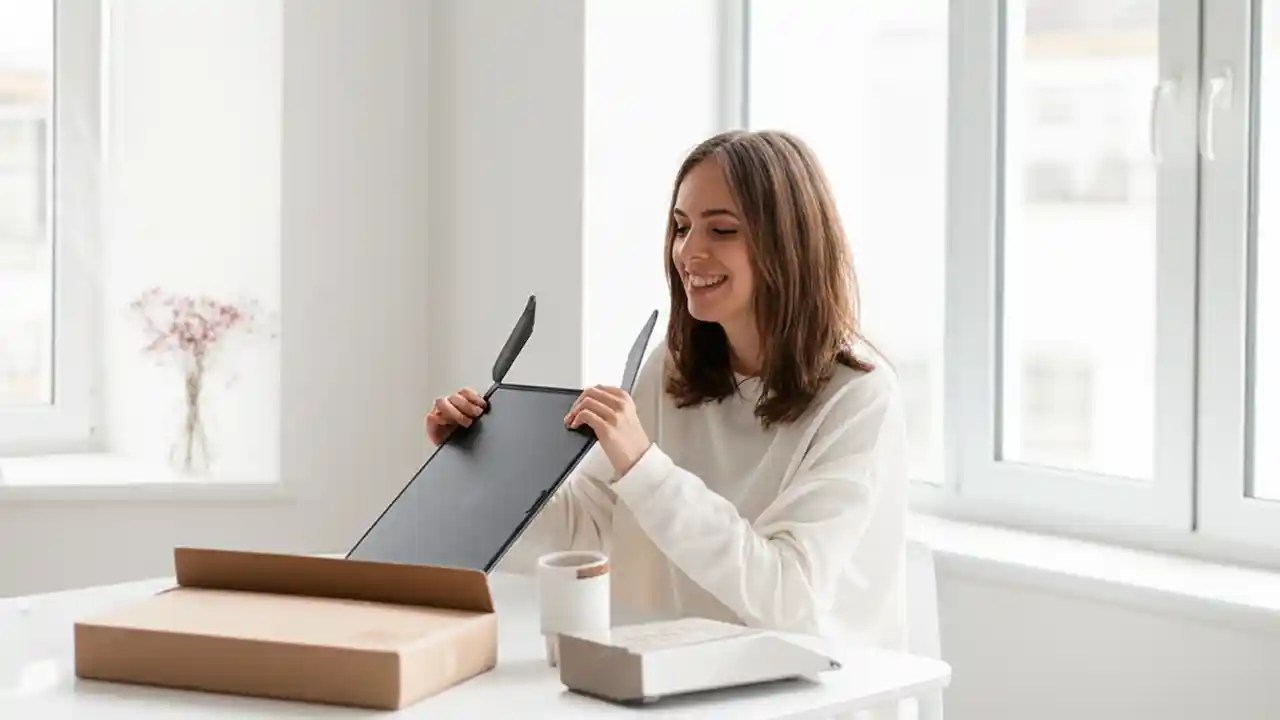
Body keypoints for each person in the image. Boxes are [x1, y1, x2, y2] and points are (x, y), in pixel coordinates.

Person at [428, 130, 908, 715]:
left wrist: (644, 466)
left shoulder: (860, 398)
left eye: (722, 230)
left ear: (787, 246)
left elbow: (790, 600)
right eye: (681, 227)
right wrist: (481, 468)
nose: (688, 251)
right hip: (669, 687)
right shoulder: (674, 370)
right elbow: (583, 531)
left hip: (802, 699)